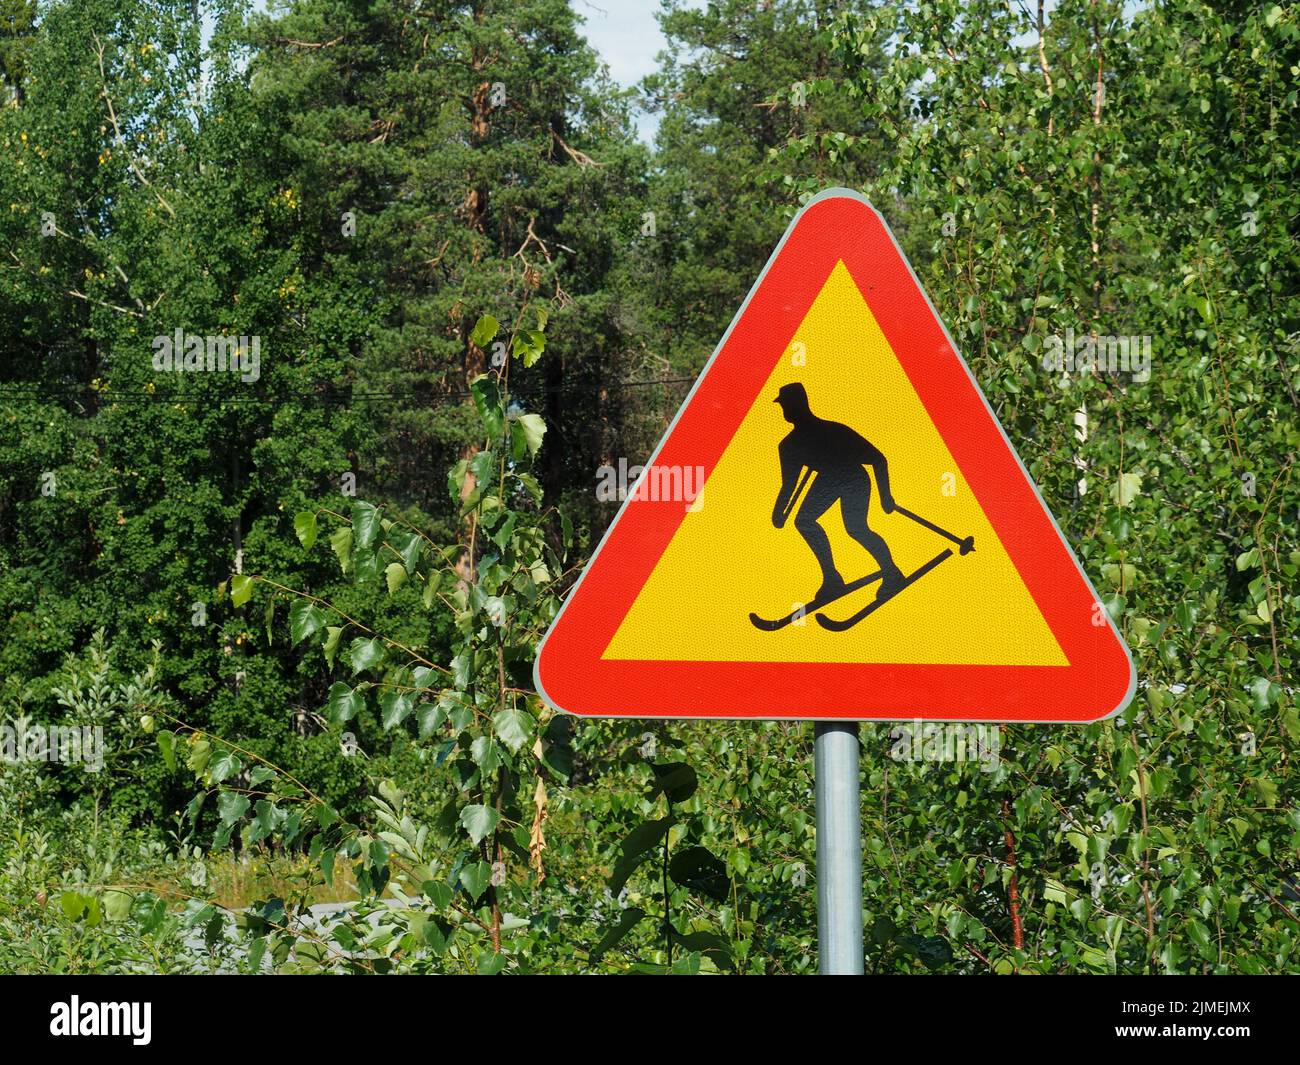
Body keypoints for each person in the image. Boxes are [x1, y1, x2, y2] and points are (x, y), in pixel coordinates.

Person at [771, 383, 905, 601]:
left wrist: (885, 497)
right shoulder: (789, 446)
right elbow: (789, 484)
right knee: (804, 521)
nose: (785, 411)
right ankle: (832, 579)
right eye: (783, 406)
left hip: (853, 477)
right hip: (828, 480)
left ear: (801, 404)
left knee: (856, 528)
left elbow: (878, 459)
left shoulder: (834, 431)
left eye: (787, 405)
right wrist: (778, 512)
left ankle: (892, 573)